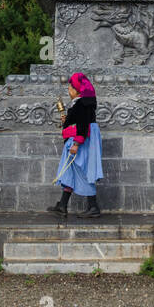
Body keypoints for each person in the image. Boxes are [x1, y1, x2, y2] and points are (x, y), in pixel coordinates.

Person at [48, 73, 105, 218]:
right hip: (79, 140)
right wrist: (67, 120)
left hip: (80, 142)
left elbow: (83, 124)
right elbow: (78, 121)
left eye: (70, 87)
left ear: (77, 90)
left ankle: (93, 206)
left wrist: (77, 143)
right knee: (71, 171)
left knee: (83, 170)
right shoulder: (80, 103)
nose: (68, 90)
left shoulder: (82, 104)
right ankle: (62, 205)